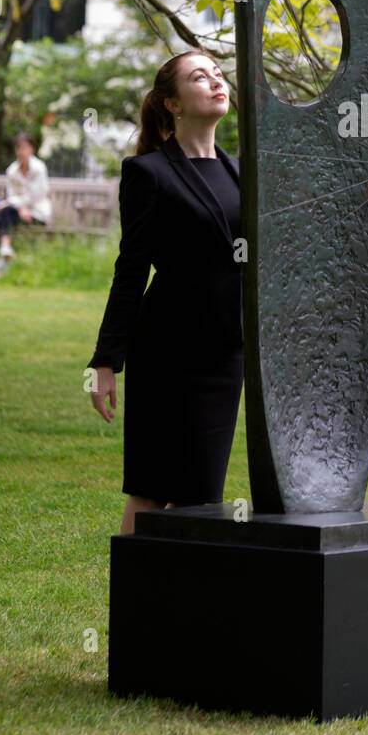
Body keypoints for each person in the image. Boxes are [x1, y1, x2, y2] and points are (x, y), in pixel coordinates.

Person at [87, 51, 244, 535]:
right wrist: (106, 361)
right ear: (173, 104)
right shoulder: (148, 173)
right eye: (200, 76)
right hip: (167, 351)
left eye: (218, 73)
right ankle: (138, 601)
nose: (216, 80)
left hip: (226, 355)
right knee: (152, 488)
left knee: (201, 493)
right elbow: (131, 270)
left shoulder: (243, 170)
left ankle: (173, 599)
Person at [0, 131, 52, 271]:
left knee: (1, 212)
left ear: (32, 149)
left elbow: (37, 194)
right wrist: (19, 206)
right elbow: (11, 195)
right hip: (17, 212)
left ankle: (5, 254)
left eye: (24, 147)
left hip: (36, 213)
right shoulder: (12, 170)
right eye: (19, 148)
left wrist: (21, 205)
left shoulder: (39, 168)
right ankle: (5, 252)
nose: (21, 151)